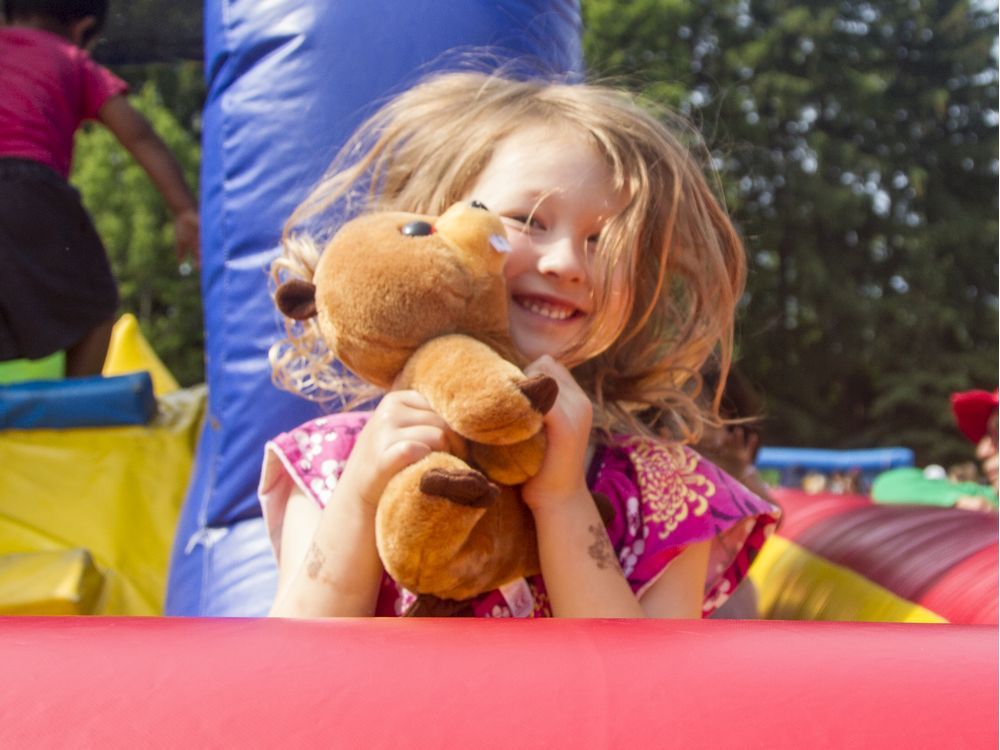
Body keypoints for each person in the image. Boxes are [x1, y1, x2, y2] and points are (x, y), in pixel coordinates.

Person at [258, 70, 780, 618]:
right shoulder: (335, 463)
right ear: (432, 221)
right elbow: (299, 662)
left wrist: (562, 501)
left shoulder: (663, 496)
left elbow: (640, 688)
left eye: (603, 240)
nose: (566, 264)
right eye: (527, 221)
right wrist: (361, 497)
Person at [0, 0, 200, 377]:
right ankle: (79, 405)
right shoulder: (71, 59)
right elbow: (139, 135)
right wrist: (184, 210)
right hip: (27, 187)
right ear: (83, 29)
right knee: (96, 309)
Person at [872, 388, 998, 511]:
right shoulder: (982, 496)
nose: (981, 451)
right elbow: (889, 485)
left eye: (997, 433)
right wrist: (962, 501)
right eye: (988, 435)